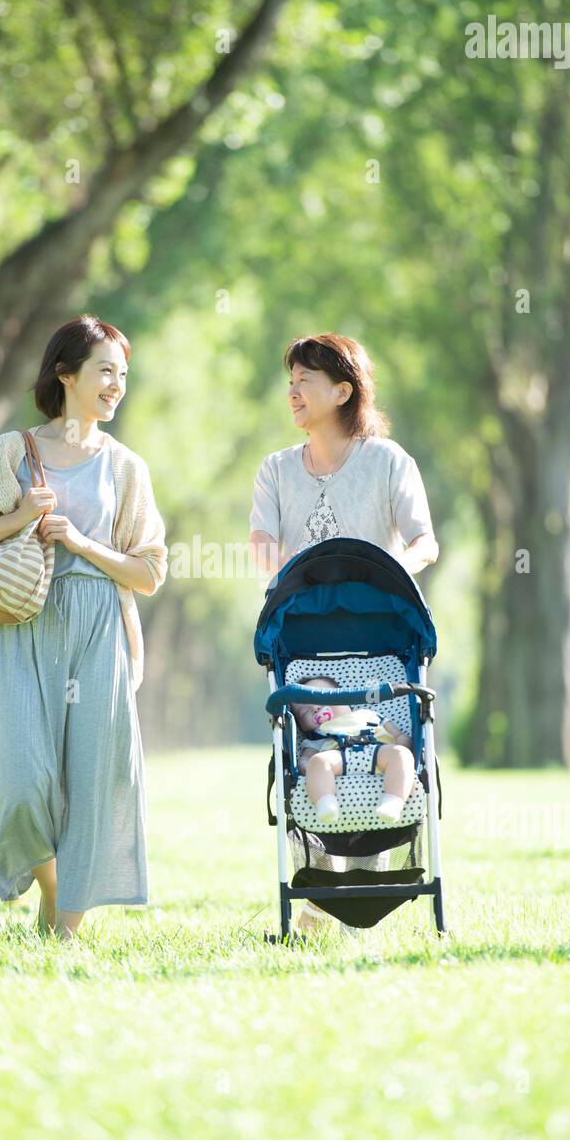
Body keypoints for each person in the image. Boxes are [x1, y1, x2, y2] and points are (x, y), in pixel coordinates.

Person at [0, 315, 167, 940]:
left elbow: (148, 573)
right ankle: (53, 885)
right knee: (16, 783)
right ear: (65, 374)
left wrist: (83, 543)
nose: (116, 385)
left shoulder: (126, 469)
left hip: (100, 632)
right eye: (104, 371)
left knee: (93, 779)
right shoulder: (13, 452)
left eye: (123, 374)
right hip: (25, 625)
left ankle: (63, 933)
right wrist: (19, 518)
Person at [248, 332, 439, 932]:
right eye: (292, 380)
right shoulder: (276, 469)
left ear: (342, 390)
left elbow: (424, 541)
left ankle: (361, 886)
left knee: (379, 745)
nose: (293, 390)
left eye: (305, 379)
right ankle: (325, 894)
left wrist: (388, 575)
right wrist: (277, 573)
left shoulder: (388, 461)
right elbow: (261, 544)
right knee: (319, 754)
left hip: (378, 638)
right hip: (305, 643)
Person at [291, 674, 415, 825]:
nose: (315, 708)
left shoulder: (368, 715)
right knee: (318, 761)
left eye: (321, 698)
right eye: (305, 713)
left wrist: (403, 748)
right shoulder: (317, 737)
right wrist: (307, 766)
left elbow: (399, 735)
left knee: (401, 754)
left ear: (345, 698)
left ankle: (393, 802)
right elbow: (306, 760)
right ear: (302, 727)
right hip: (339, 760)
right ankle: (326, 803)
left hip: (379, 752)